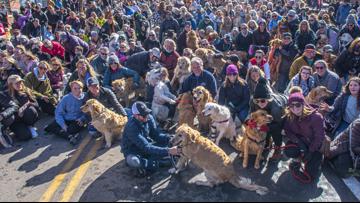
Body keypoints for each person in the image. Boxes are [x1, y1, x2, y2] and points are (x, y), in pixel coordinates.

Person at [121, 101, 179, 176]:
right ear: (136, 116)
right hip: (133, 151)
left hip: (146, 145)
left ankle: (148, 164)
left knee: (170, 142)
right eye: (143, 115)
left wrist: (170, 138)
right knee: (134, 161)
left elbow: (156, 135)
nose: (147, 116)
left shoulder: (149, 118)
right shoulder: (131, 127)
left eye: (147, 113)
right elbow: (146, 147)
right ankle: (158, 164)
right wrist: (168, 151)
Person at [283, 92, 325, 183]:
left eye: (298, 105)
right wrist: (299, 142)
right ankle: (297, 160)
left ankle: (318, 161)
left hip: (314, 146)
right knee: (289, 150)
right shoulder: (289, 115)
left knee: (312, 175)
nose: (294, 108)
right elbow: (288, 131)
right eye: (291, 105)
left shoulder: (316, 117)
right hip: (301, 143)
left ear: (303, 104)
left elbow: (319, 137)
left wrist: (310, 151)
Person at [250, 77, 287, 159]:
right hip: (268, 116)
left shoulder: (276, 107)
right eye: (257, 101)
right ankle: (266, 143)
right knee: (262, 127)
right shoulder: (253, 102)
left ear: (268, 99)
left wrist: (264, 128)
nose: (260, 103)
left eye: (263, 100)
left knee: (275, 131)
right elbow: (251, 115)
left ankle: (278, 147)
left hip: (283, 109)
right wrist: (249, 122)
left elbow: (278, 123)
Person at [45, 80, 86, 145]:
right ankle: (69, 136)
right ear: (71, 89)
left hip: (77, 119)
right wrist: (63, 125)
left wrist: (82, 118)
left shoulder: (85, 97)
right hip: (67, 118)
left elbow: (87, 112)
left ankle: (66, 134)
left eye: (80, 88)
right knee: (51, 126)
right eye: (75, 88)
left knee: (71, 129)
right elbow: (58, 113)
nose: (78, 90)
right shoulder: (66, 98)